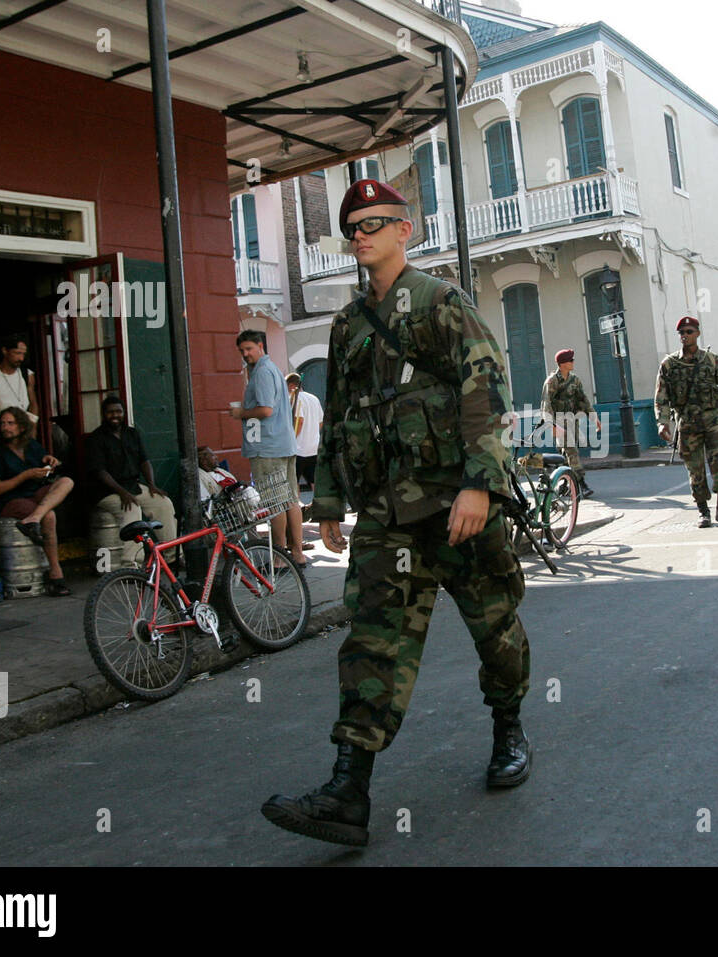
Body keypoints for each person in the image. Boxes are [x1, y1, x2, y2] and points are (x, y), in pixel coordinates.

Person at [261, 179, 531, 847]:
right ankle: (347, 790)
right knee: (373, 643)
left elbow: (486, 391)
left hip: (456, 505)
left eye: (376, 222)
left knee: (495, 628)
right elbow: (344, 418)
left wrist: (480, 485)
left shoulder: (442, 304)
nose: (362, 233)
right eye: (354, 225)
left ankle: (508, 726)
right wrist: (326, 500)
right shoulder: (349, 324)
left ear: (405, 230)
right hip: (387, 516)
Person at [655, 316, 718, 528]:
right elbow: (661, 397)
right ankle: (703, 511)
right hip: (687, 422)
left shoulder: (712, 360)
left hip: (713, 420)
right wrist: (662, 423)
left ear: (697, 334)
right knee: (695, 469)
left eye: (689, 332)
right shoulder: (669, 364)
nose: (685, 336)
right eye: (681, 333)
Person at [229, 329, 307, 566]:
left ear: (260, 346)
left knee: (276, 503)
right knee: (291, 500)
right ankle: (297, 553)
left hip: (268, 446)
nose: (245, 354)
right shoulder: (270, 369)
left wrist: (240, 413)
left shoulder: (262, 372)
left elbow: (265, 410)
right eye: (242, 351)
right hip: (283, 444)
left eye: (249, 349)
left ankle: (279, 556)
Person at [0, 407, 73, 596]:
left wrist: (49, 461)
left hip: (34, 494)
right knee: (50, 516)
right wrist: (25, 475)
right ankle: (56, 575)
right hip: (9, 500)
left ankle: (33, 518)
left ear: (22, 427)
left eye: (10, 423)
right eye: (3, 423)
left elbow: (43, 462)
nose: (6, 427)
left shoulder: (30, 445)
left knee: (66, 481)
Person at [83, 395, 178, 567]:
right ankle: (132, 564)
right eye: (110, 412)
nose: (115, 415)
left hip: (132, 487)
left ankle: (172, 557)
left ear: (124, 413)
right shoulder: (96, 439)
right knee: (132, 509)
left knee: (163, 503)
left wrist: (152, 485)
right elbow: (100, 472)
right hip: (107, 491)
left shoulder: (131, 433)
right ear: (104, 414)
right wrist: (122, 493)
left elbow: (144, 461)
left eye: (118, 411)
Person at [539, 348, 596, 498]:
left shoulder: (575, 380)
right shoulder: (552, 381)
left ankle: (565, 483)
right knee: (572, 451)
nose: (573, 362)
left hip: (571, 420)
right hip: (558, 422)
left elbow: (583, 400)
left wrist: (593, 417)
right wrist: (551, 425)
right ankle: (582, 484)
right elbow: (546, 405)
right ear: (563, 364)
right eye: (571, 360)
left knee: (566, 453)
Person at [0, 333, 39, 445]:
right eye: (17, 353)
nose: (21, 358)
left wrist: (32, 429)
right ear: (5, 351)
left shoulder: (27, 375)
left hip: (20, 438)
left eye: (23, 354)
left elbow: (33, 404)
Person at [287, 372, 324, 493]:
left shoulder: (295, 399)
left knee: (294, 481)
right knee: (314, 480)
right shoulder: (314, 398)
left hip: (298, 448)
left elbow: (299, 420)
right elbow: (320, 422)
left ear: (292, 386)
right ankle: (318, 504)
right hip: (313, 447)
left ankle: (297, 506)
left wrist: (292, 438)